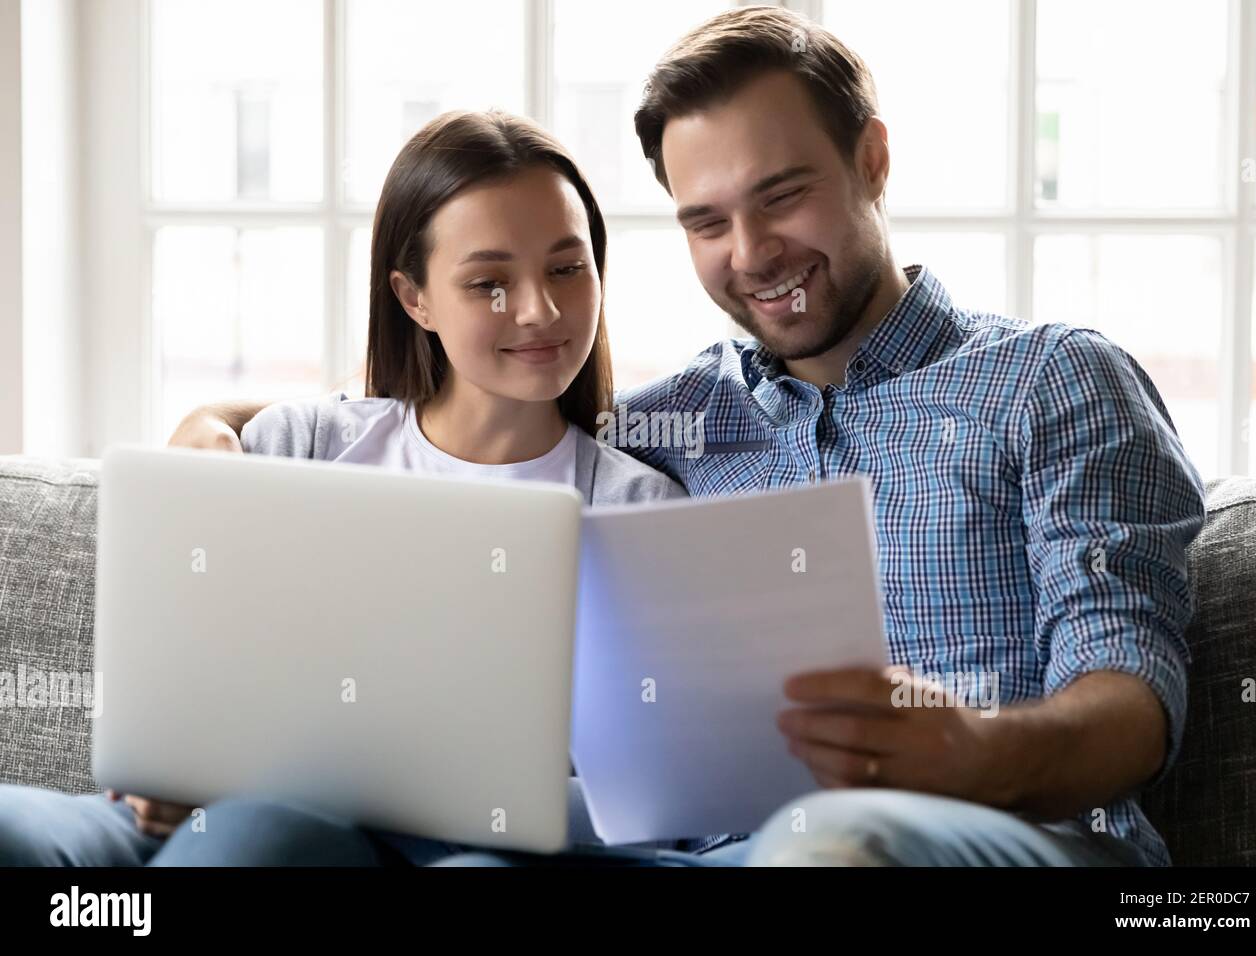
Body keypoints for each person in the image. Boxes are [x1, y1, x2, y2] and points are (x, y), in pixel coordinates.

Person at [145, 7, 1206, 867]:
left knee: (823, 837)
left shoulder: (1047, 380)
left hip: (1018, 833)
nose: (751, 252)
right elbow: (453, 412)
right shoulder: (677, 418)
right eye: (705, 220)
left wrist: (969, 749)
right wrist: (216, 428)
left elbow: (1132, 698)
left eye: (782, 195)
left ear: (872, 160)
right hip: (713, 849)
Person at [0, 110, 749, 867]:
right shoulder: (303, 447)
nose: (539, 309)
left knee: (254, 839)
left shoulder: (635, 512)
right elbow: (177, 680)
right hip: (178, 820)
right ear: (414, 297)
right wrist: (170, 766)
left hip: (394, 845)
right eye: (489, 282)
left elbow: (658, 819)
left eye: (566, 267)